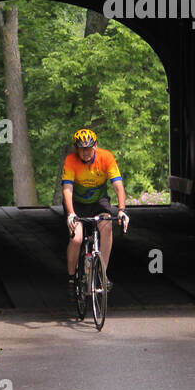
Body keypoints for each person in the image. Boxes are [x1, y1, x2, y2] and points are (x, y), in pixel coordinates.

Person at [62, 127, 127, 299]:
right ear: (77, 149)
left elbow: (118, 185)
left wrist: (121, 210)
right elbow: (67, 188)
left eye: (89, 148)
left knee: (107, 228)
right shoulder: (70, 160)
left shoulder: (106, 157)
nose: (86, 152)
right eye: (82, 149)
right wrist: (70, 213)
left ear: (95, 146)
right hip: (76, 203)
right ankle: (71, 278)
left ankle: (102, 274)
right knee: (76, 239)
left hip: (99, 202)